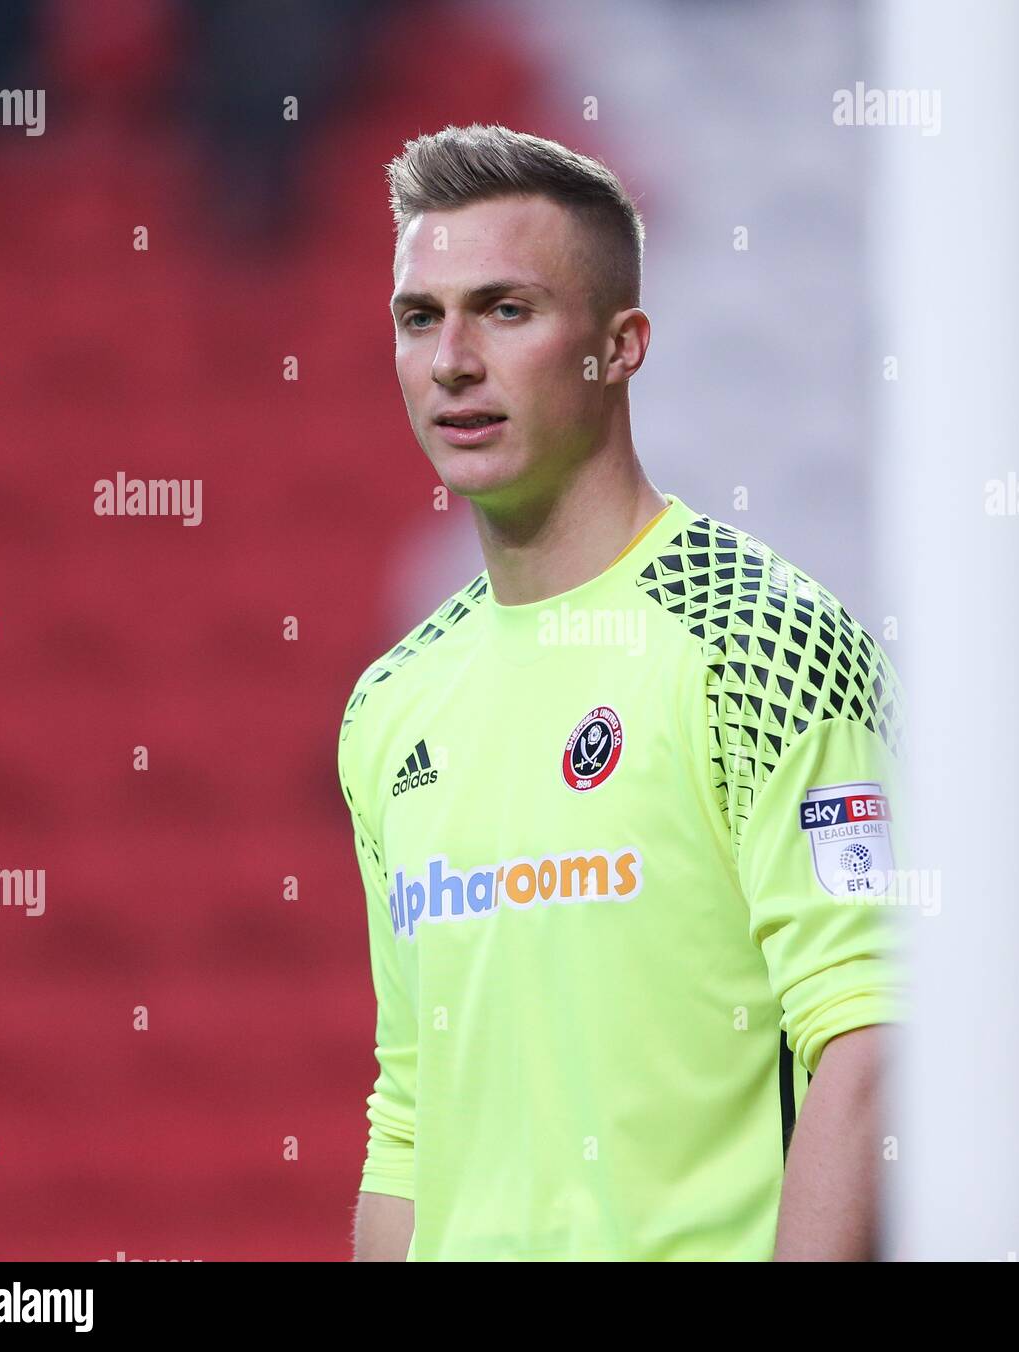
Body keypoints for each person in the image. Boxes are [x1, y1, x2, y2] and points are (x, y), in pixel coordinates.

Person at [339, 123, 907, 1262]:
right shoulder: (391, 704)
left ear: (620, 345)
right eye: (421, 316)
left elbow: (871, 1046)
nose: (452, 358)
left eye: (505, 310)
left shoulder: (764, 642)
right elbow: (407, 1121)